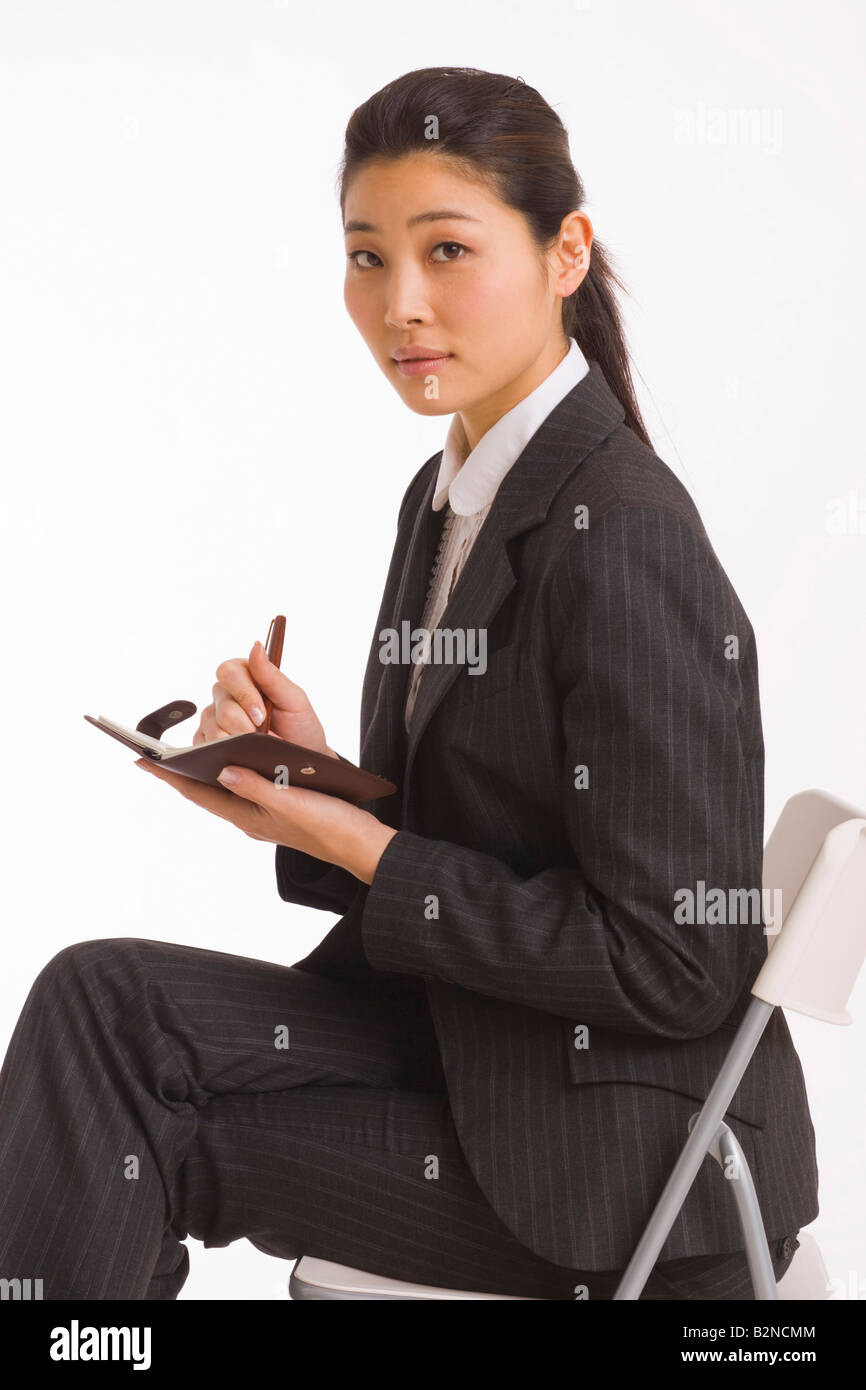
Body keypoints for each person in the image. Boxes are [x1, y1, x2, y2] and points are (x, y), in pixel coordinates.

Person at [0, 66, 817, 1300]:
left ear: (565, 252)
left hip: (606, 1169)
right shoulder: (450, 495)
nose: (402, 304)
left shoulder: (623, 531)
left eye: (446, 250)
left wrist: (370, 852)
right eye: (367, 258)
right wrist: (312, 785)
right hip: (476, 1046)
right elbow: (486, 844)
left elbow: (673, 962)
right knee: (98, 1003)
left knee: (127, 1117)